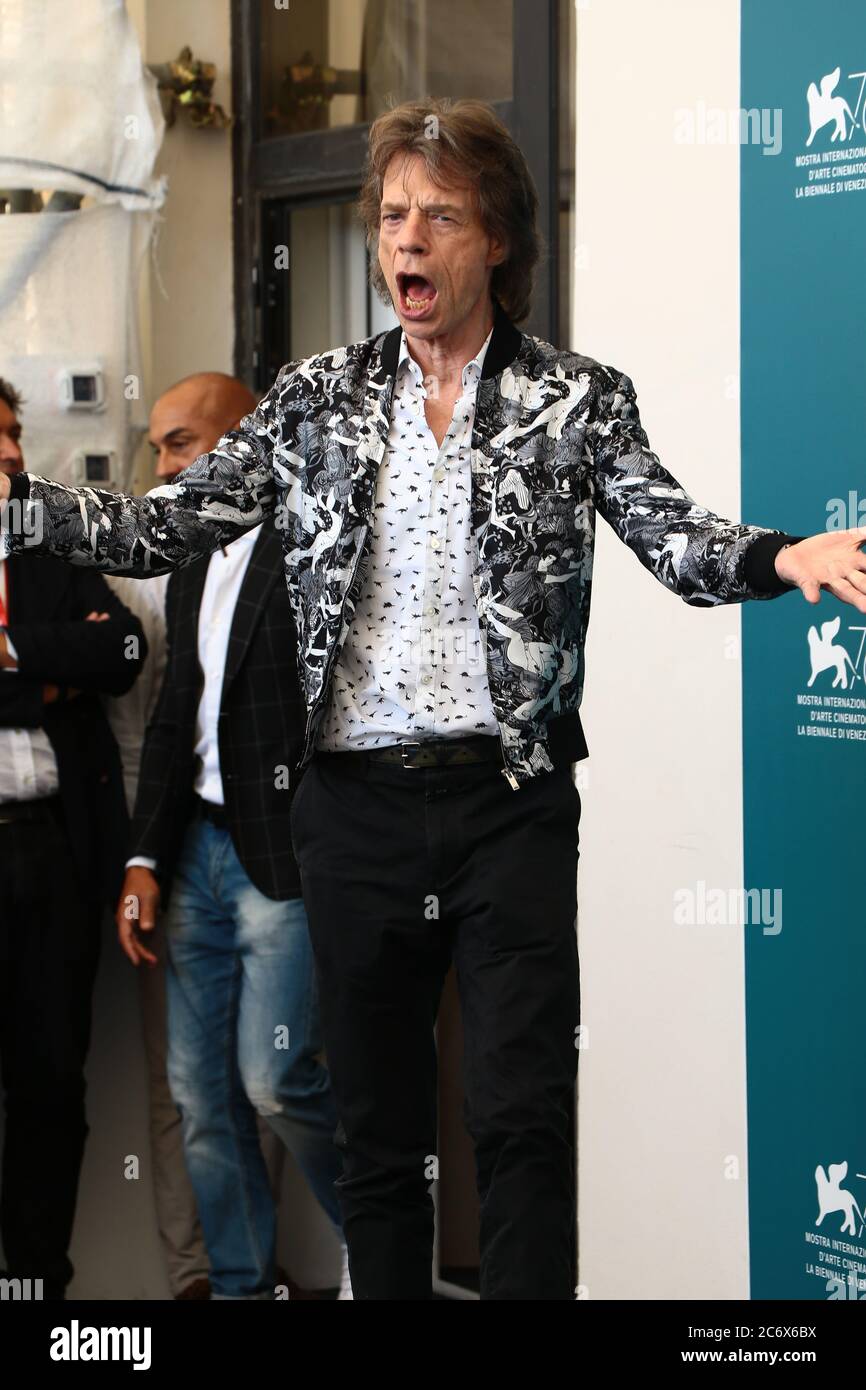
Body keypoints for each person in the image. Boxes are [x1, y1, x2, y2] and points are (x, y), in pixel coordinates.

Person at [2, 99, 866, 1300]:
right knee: (378, 1135)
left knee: (519, 1113)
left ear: (496, 240)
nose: (405, 240)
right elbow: (161, 527)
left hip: (507, 807)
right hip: (350, 811)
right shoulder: (312, 400)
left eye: (439, 216)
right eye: (392, 215)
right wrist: (20, 509)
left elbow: (672, 538)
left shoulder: (576, 399)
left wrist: (783, 557)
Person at [115, 372, 350, 1301]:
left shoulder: (311, 545)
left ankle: (386, 1243)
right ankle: (246, 1293)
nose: (164, 465)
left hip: (281, 861)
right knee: (201, 1105)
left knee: (274, 1081)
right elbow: (178, 713)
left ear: (244, 434)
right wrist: (143, 857)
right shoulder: (188, 556)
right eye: (159, 447)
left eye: (180, 443)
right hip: (196, 860)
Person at [0, 376, 146, 1299]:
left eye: (14, 434)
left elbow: (123, 654)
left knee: (50, 1086)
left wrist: (12, 648)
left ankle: (35, 1293)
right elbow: (82, 661)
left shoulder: (47, 541)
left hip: (49, 853)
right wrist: (48, 676)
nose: (13, 453)